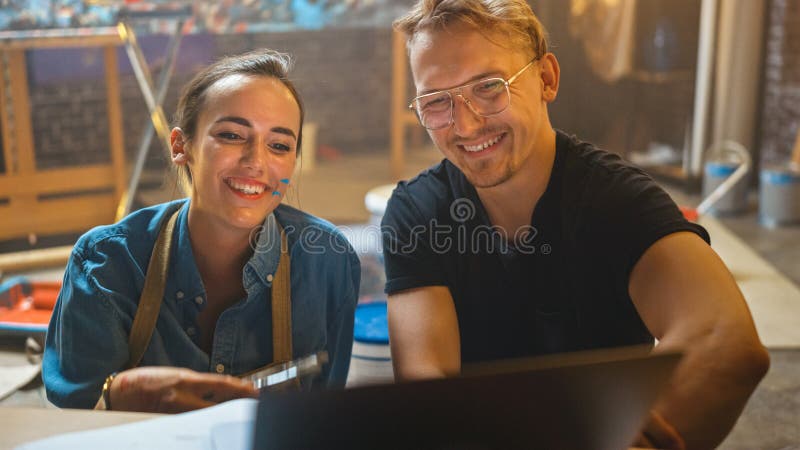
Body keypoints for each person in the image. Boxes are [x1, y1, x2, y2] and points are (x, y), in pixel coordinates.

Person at [381, 1, 769, 449]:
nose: (465, 125)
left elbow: (727, 343)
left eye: (489, 87)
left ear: (546, 78)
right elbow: (427, 388)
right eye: (436, 102)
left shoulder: (616, 202)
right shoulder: (418, 214)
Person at [43, 49, 360, 413]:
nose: (256, 162)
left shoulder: (327, 262)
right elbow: (74, 418)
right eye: (232, 135)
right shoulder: (106, 262)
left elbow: (322, 415)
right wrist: (116, 396)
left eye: (279, 145)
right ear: (181, 146)